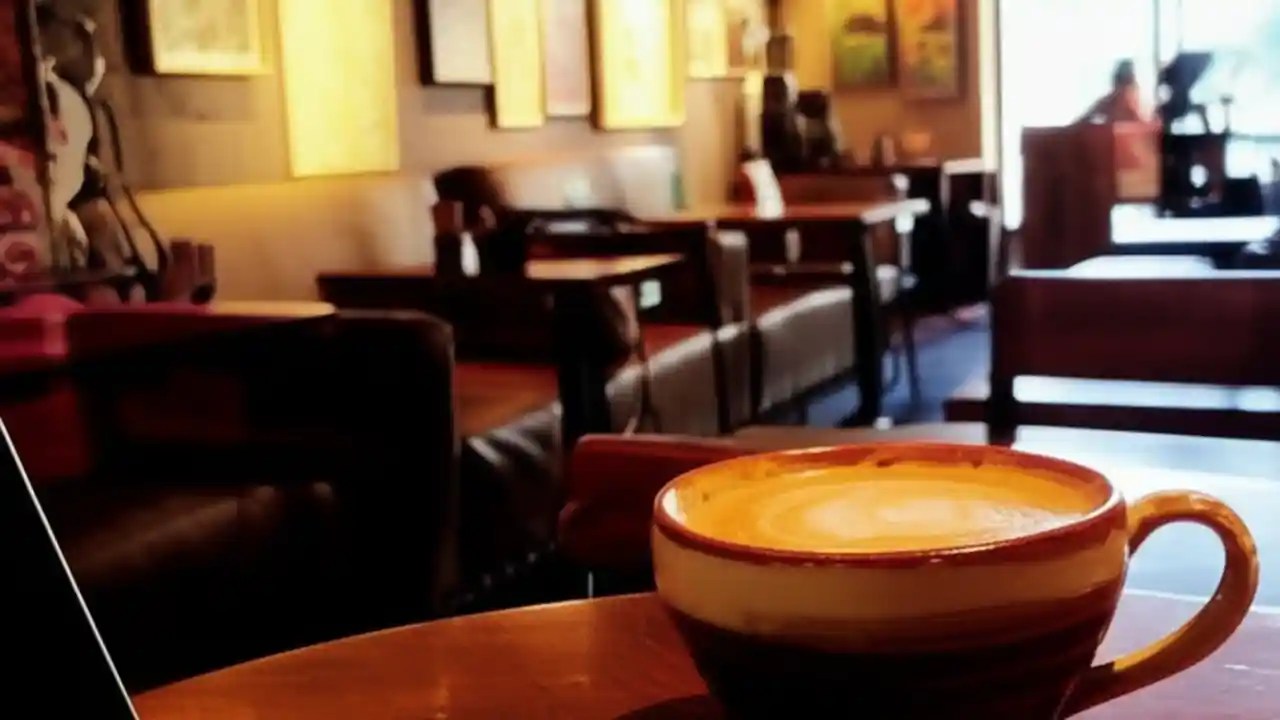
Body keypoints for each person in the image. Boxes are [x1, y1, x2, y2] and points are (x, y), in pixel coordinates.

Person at [1078, 60, 1150, 124]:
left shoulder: (1142, 107)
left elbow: (1149, 127)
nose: (1123, 91)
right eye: (1121, 82)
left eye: (1127, 84)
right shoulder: (1107, 103)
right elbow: (1081, 122)